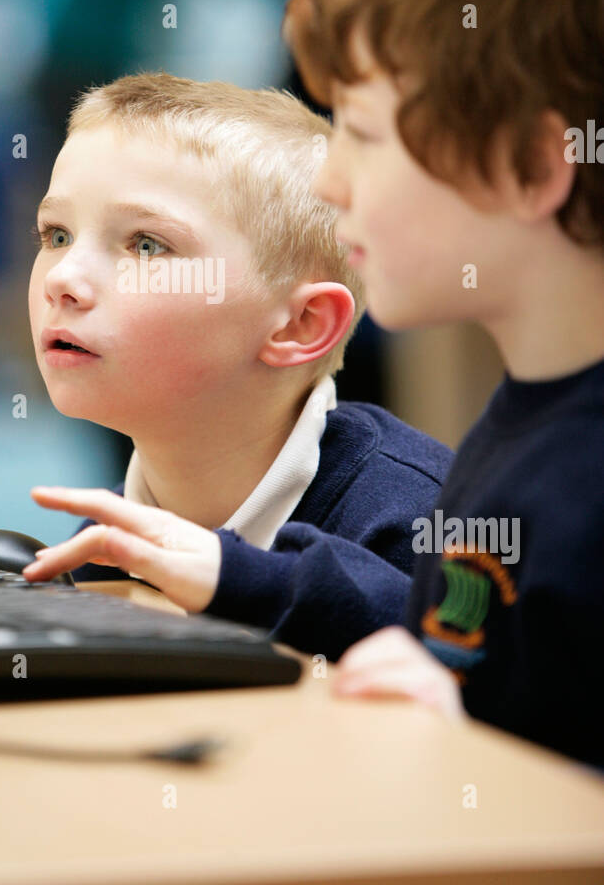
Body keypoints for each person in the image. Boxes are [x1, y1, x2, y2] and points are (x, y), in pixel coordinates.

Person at [281, 0, 604, 768]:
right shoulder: (525, 417)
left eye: (364, 133)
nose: (329, 180)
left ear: (532, 167)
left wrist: (481, 754)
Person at [26, 72, 451, 660]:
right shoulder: (104, 545)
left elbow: (486, 673)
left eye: (146, 244)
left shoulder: (416, 514)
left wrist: (237, 579)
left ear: (300, 325)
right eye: (57, 234)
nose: (63, 279)